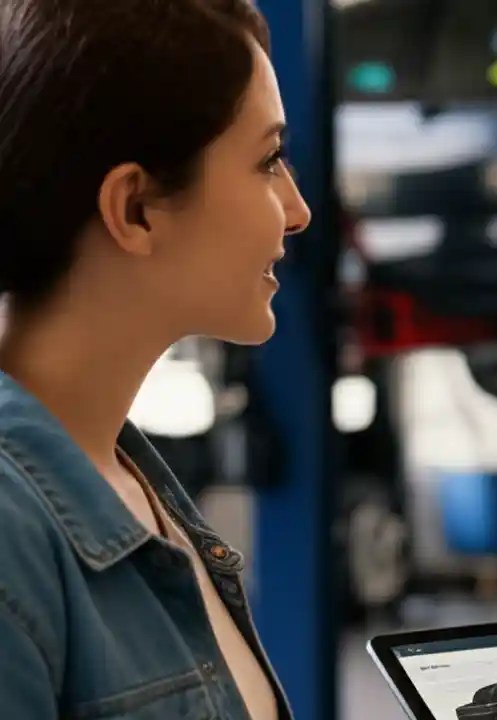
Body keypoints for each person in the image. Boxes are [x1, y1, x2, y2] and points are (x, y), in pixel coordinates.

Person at [0, 1, 310, 718]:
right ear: (136, 208)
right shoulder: (14, 532)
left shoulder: (129, 479)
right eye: (268, 161)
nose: (296, 210)